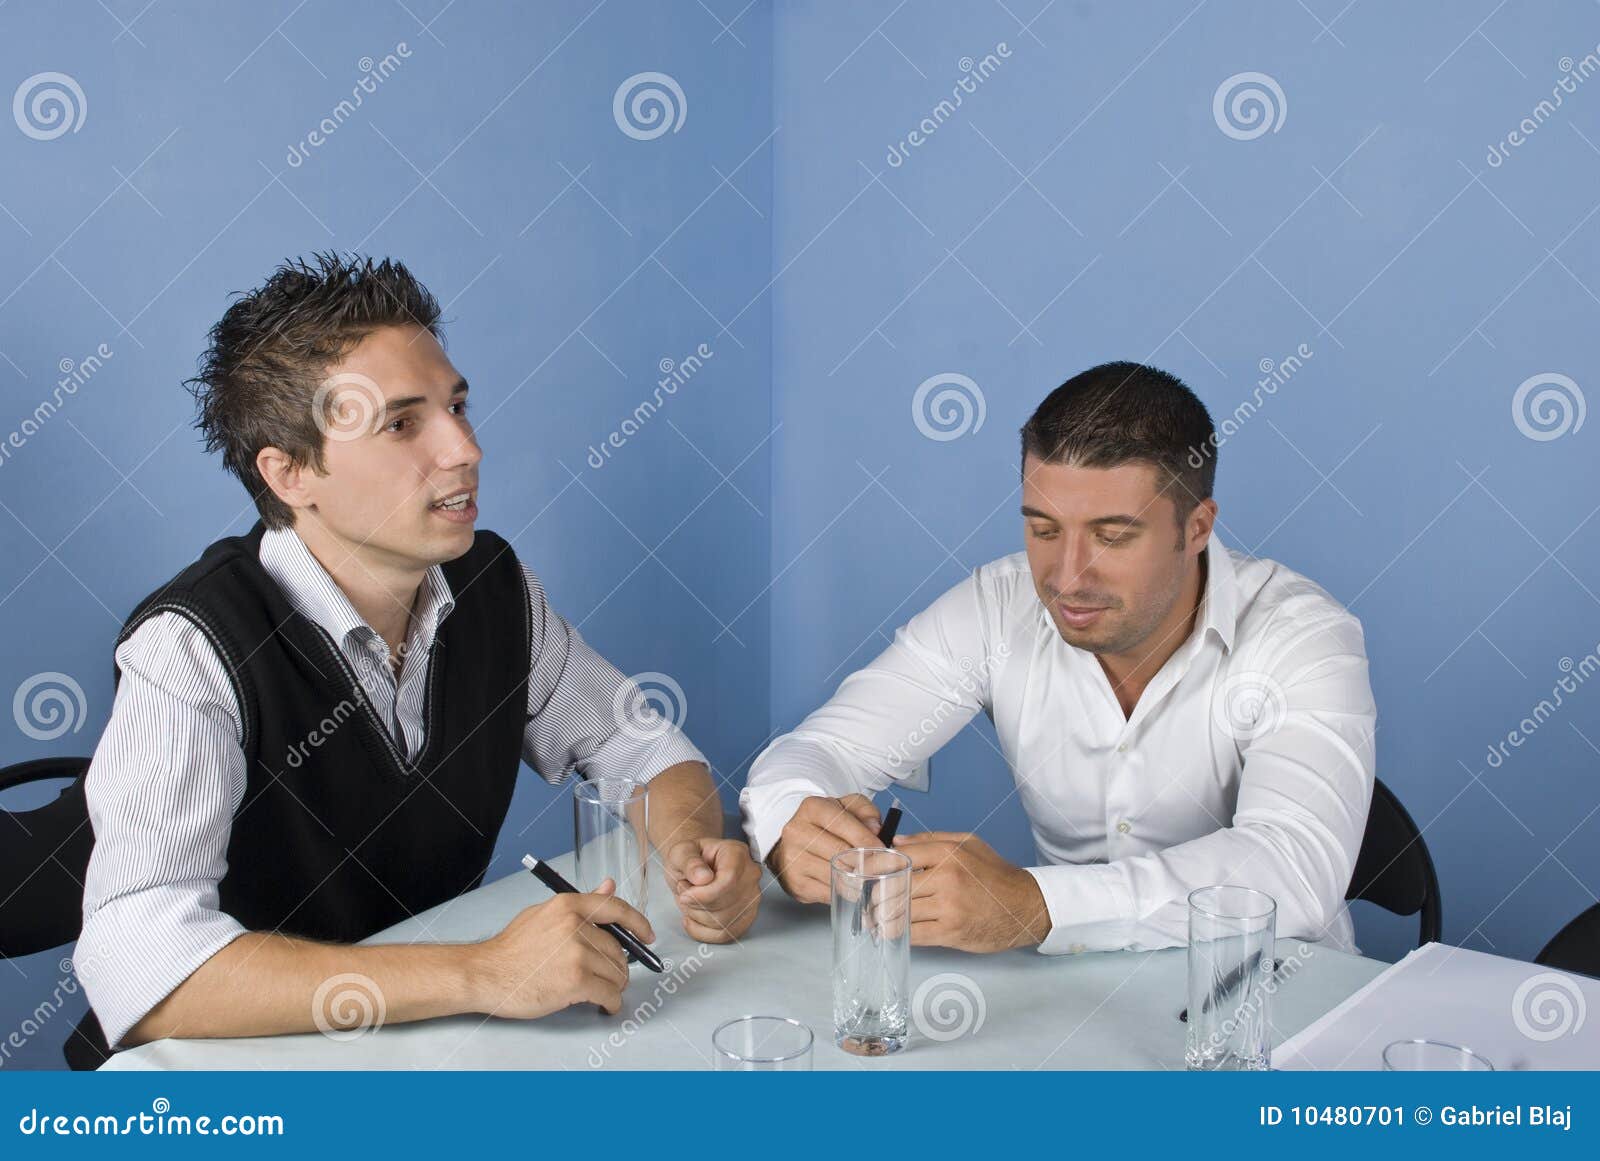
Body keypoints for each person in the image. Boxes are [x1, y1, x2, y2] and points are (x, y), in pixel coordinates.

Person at [75, 253, 761, 1051]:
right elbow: (139, 966)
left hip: (419, 1048)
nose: (464, 447)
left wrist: (692, 853)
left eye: (457, 405)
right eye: (402, 424)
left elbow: (638, 746)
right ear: (290, 472)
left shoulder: (494, 588)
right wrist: (483, 972)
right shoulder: (190, 648)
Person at [742, 362, 1376, 956]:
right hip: (1079, 999)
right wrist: (793, 817)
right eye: (1043, 529)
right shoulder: (997, 606)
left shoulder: (1304, 636)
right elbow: (822, 749)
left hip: (1277, 993)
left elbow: (1295, 868)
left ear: (1197, 528)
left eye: (1112, 536)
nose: (1067, 577)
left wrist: (1036, 905)